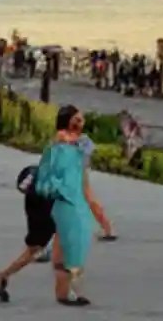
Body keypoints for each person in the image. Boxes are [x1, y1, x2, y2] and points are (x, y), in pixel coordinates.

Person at [34, 105, 95, 307]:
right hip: (63, 197)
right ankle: (67, 291)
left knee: (67, 243)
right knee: (72, 243)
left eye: (81, 119)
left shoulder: (79, 142)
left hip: (71, 196)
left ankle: (66, 291)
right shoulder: (61, 143)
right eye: (75, 119)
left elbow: (82, 167)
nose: (80, 123)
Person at [0, 164, 56, 303]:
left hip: (36, 208)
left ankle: (2, 276)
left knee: (34, 250)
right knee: (34, 250)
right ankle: (1, 277)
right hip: (45, 211)